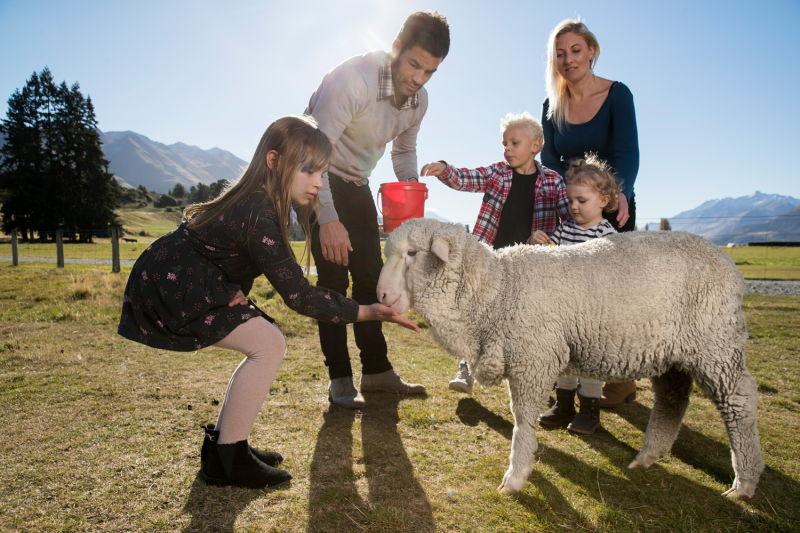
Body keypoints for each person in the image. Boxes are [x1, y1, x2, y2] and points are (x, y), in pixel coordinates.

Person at [117, 116, 419, 489]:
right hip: (171, 285)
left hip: (183, 279)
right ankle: (229, 458)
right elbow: (300, 295)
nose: (318, 182)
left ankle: (225, 451)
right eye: (309, 170)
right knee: (268, 343)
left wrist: (223, 285)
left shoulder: (262, 201)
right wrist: (367, 311)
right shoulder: (259, 209)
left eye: (322, 173)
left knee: (266, 340)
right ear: (274, 161)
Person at [304, 11, 450, 409]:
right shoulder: (353, 79)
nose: (419, 78)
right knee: (332, 282)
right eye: (415, 65)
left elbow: (403, 153)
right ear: (397, 48)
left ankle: (377, 372)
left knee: (373, 277)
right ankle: (339, 379)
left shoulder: (418, 101)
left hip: (358, 182)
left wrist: (411, 201)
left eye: (430, 72)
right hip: (316, 177)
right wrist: (327, 219)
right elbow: (312, 154)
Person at [420, 112, 569, 393]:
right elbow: (469, 178)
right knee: (475, 312)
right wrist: (444, 168)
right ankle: (467, 367)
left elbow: (569, 219)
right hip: (491, 258)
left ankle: (535, 378)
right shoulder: (498, 173)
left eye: (515, 143)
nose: (507, 149)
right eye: (504, 144)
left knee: (526, 319)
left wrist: (551, 240)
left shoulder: (553, 182)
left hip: (528, 267)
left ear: (536, 146)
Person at [540, 18, 640, 408]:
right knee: (569, 298)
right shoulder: (552, 103)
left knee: (613, 299)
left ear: (592, 51)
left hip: (610, 200)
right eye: (560, 53)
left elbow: (628, 152)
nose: (568, 59)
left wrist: (620, 195)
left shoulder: (617, 95)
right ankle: (570, 381)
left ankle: (620, 378)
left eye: (575, 50)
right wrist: (564, 198)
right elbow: (550, 159)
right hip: (569, 204)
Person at [532, 156, 620, 433]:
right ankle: (564, 405)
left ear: (603, 200)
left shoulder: (607, 235)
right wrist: (538, 243)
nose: (573, 206)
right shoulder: (565, 228)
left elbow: (610, 274)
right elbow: (551, 257)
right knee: (565, 359)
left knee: (590, 362)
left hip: (593, 312)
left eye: (582, 201)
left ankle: (590, 412)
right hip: (563, 309)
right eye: (570, 200)